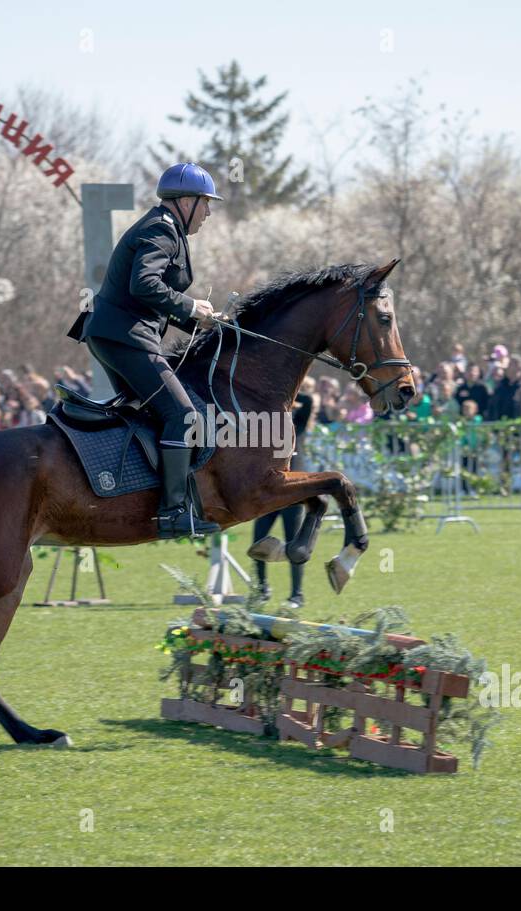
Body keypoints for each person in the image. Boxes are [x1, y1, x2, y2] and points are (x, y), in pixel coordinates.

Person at [68, 162, 222, 537]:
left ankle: (132, 495)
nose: (209, 211)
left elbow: (149, 296)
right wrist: (189, 306)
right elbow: (144, 284)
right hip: (125, 337)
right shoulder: (161, 229)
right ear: (185, 201)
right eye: (205, 203)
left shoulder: (165, 228)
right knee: (184, 416)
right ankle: (171, 512)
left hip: (114, 334)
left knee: (151, 414)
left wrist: (197, 319)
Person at [251, 378, 315, 607]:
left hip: (291, 494)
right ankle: (261, 589)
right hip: (268, 493)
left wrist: (289, 392)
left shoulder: (300, 418)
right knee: (257, 542)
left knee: (295, 545)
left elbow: (307, 400)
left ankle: (297, 594)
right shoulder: (270, 419)